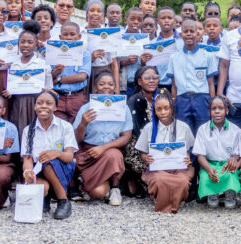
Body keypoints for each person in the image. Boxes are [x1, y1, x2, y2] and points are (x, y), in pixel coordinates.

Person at [73, 71, 132, 205]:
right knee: (98, 193)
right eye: (102, 84)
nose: (106, 87)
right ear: (95, 87)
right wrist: (83, 123)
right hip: (89, 154)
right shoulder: (86, 108)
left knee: (114, 155)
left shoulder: (123, 108)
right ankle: (86, 183)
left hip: (111, 150)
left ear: (115, 87)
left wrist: (103, 148)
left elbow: (126, 137)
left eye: (110, 84)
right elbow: (77, 140)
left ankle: (115, 189)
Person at [19, 90, 77, 220]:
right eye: (40, 103)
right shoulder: (28, 130)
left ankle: (63, 201)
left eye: (49, 103)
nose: (44, 106)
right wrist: (27, 172)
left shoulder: (65, 127)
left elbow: (69, 157)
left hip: (61, 168)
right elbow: (28, 159)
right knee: (42, 188)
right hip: (38, 170)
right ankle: (46, 196)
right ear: (35, 107)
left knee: (48, 164)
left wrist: (56, 153)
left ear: (55, 107)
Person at [135, 90, 196, 213]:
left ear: (172, 108)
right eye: (159, 109)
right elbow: (142, 153)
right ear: (154, 110)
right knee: (159, 180)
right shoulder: (149, 128)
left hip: (179, 169)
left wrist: (187, 157)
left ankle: (174, 198)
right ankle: (165, 198)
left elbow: (190, 150)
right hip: (157, 169)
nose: (163, 112)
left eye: (166, 108)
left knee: (183, 181)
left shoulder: (183, 127)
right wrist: (145, 157)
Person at [162, 18, 216, 131]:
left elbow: (211, 83)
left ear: (197, 34)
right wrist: (174, 101)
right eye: (186, 31)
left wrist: (212, 102)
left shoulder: (207, 56)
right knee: (183, 131)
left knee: (203, 130)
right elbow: (173, 85)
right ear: (181, 35)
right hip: (182, 99)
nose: (189, 34)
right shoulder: (174, 58)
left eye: (192, 31)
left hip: (202, 98)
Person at [192, 95, 241, 208]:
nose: (217, 111)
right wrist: (209, 169)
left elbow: (237, 153)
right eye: (214, 109)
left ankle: (229, 193)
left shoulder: (235, 130)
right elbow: (200, 156)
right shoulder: (202, 129)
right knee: (206, 176)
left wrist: (234, 159)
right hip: (209, 164)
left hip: (227, 164)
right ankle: (212, 193)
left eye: (221, 108)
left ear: (227, 111)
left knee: (230, 174)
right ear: (209, 112)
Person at [2, 23, 52, 135]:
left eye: (30, 42)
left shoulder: (43, 65)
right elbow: (11, 87)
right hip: (18, 104)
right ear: (18, 44)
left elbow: (49, 88)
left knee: (37, 132)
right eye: (22, 42)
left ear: (36, 45)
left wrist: (44, 90)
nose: (25, 45)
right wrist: (9, 92)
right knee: (20, 130)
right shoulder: (13, 65)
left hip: (37, 104)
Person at [124, 65, 162, 196]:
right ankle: (135, 177)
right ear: (139, 81)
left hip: (161, 139)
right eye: (147, 78)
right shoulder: (136, 99)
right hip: (141, 143)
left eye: (155, 77)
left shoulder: (162, 95)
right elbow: (140, 132)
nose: (152, 80)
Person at [50, 21, 92, 123]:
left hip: (77, 97)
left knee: (77, 126)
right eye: (65, 34)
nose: (68, 38)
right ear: (60, 37)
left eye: (72, 34)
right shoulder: (53, 53)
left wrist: (59, 79)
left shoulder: (85, 54)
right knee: (59, 126)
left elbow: (82, 76)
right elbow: (49, 77)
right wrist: (56, 73)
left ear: (79, 36)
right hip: (58, 97)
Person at [83, 0, 119, 87]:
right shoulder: (80, 33)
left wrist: (116, 88)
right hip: (85, 74)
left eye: (99, 11)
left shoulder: (108, 34)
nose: (95, 13)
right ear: (87, 13)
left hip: (105, 74)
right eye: (92, 10)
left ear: (102, 15)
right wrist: (91, 58)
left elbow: (114, 64)